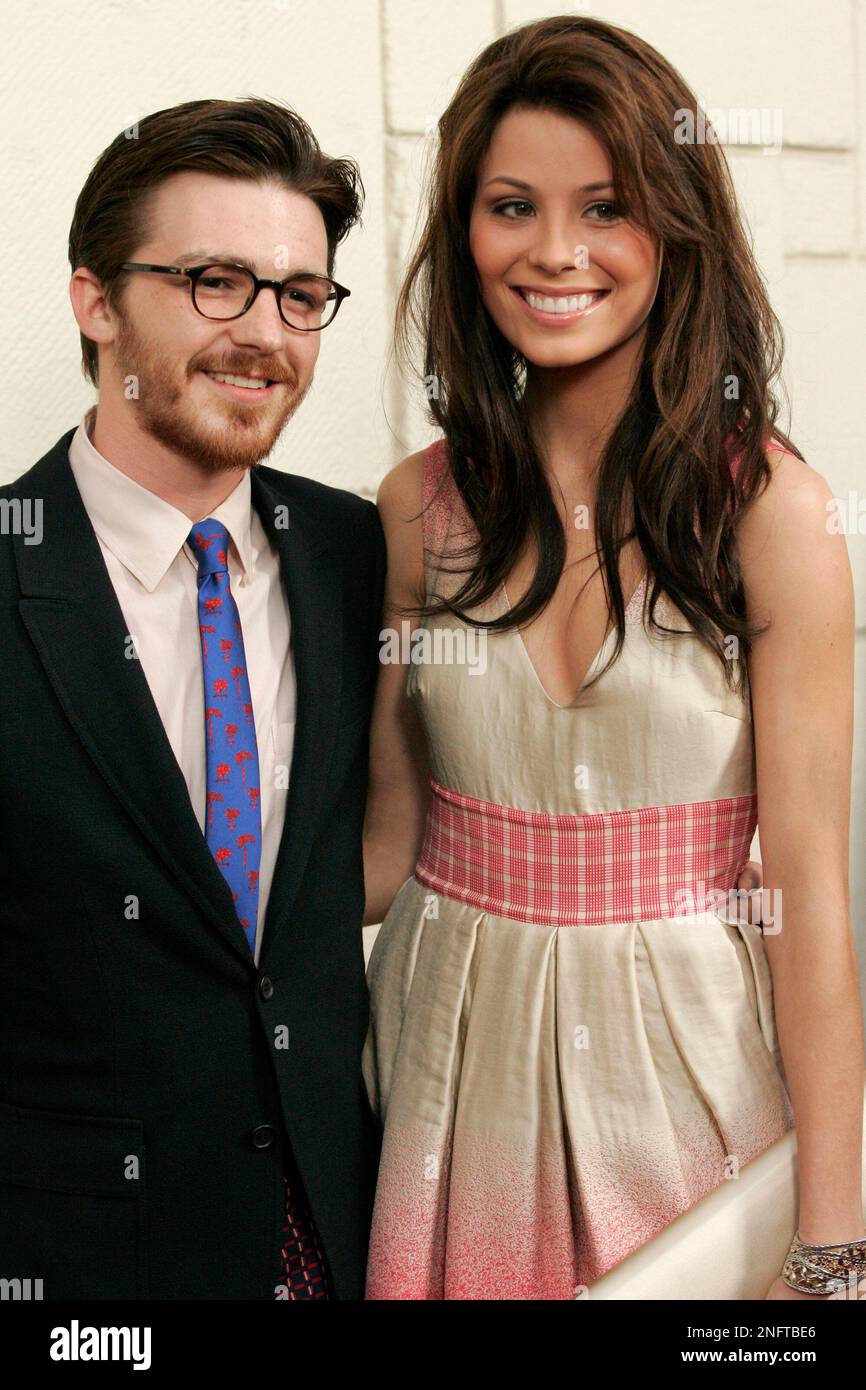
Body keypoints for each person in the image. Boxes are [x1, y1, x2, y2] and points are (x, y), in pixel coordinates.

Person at [361, 16, 865, 1300]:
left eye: (606, 207)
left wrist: (834, 1250)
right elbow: (377, 852)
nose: (553, 253)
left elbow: (809, 893)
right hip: (450, 1075)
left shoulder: (772, 516)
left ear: (677, 226)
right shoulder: (412, 511)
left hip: (685, 1083)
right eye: (510, 206)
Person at [0, 97, 384, 1300]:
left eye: (298, 294)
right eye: (214, 281)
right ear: (97, 301)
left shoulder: (356, 554)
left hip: (346, 1229)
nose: (263, 332)